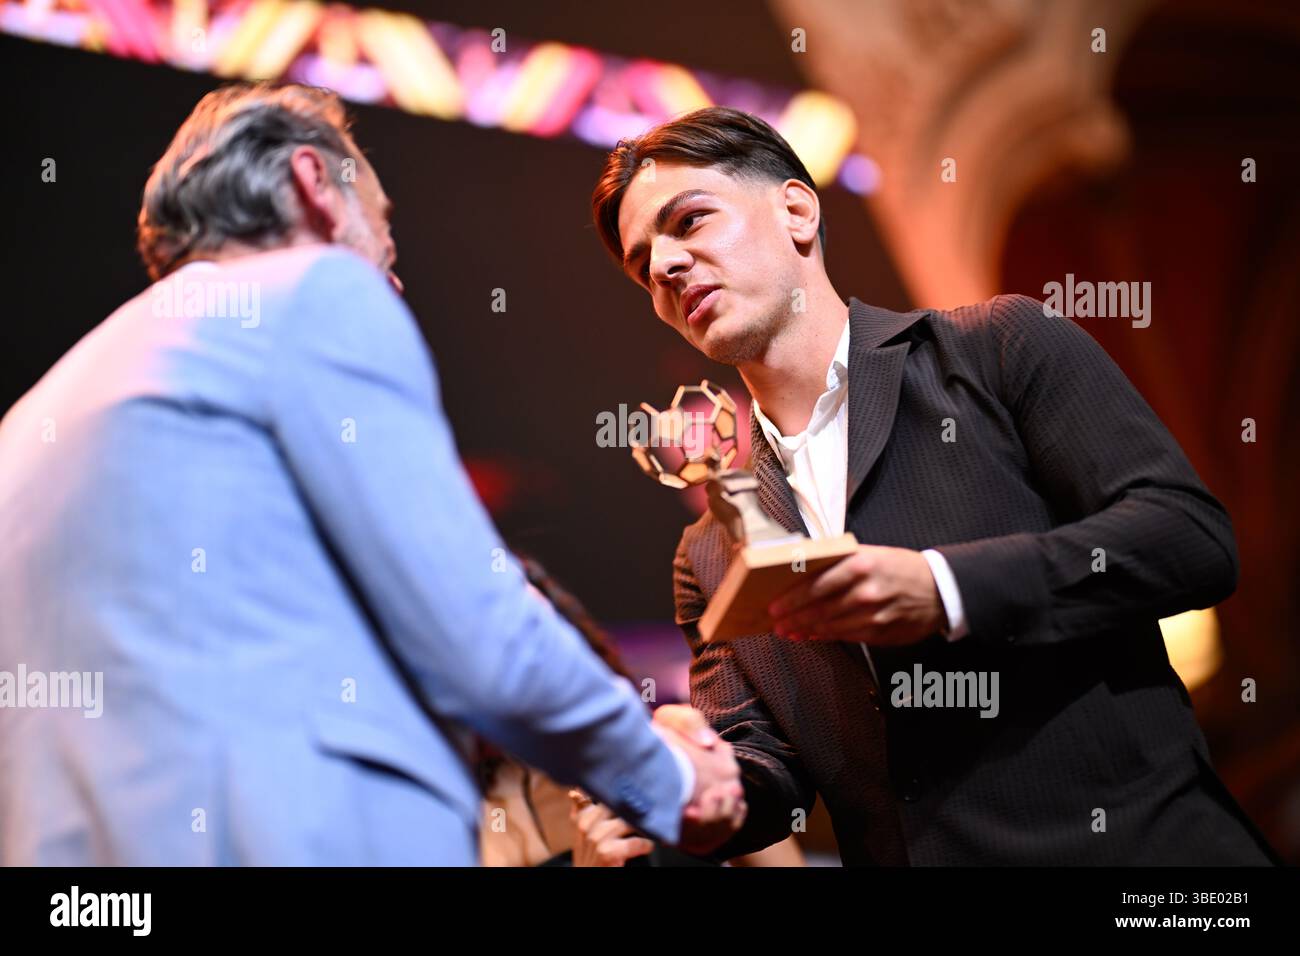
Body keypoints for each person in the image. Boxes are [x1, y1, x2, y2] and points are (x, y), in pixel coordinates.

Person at [0, 82, 746, 865]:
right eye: (382, 226)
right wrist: (665, 776)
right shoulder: (312, 291)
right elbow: (469, 621)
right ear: (316, 188)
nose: (389, 272)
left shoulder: (47, 408)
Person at [590, 106, 1281, 865]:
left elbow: (1191, 538)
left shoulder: (996, 350)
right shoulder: (708, 553)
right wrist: (688, 788)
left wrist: (946, 588)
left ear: (796, 209)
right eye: (641, 264)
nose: (664, 267)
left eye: (688, 222)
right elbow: (765, 778)